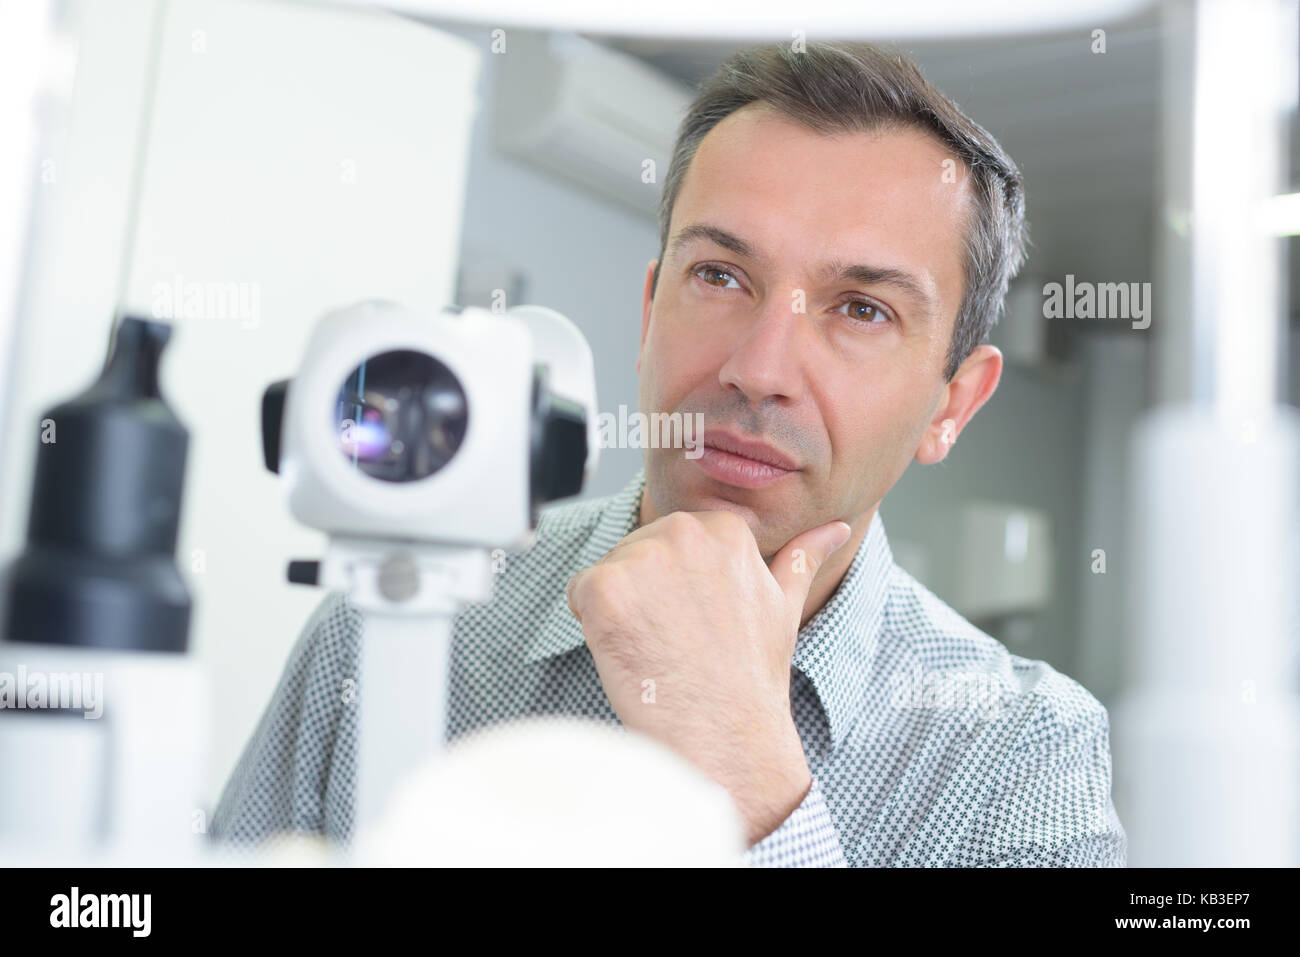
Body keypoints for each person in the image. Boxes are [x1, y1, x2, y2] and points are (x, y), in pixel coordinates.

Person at [211, 40, 1126, 867]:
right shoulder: (394, 612)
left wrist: (753, 781)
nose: (759, 369)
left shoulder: (1025, 751)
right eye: (721, 276)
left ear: (952, 403)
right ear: (651, 314)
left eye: (861, 308)